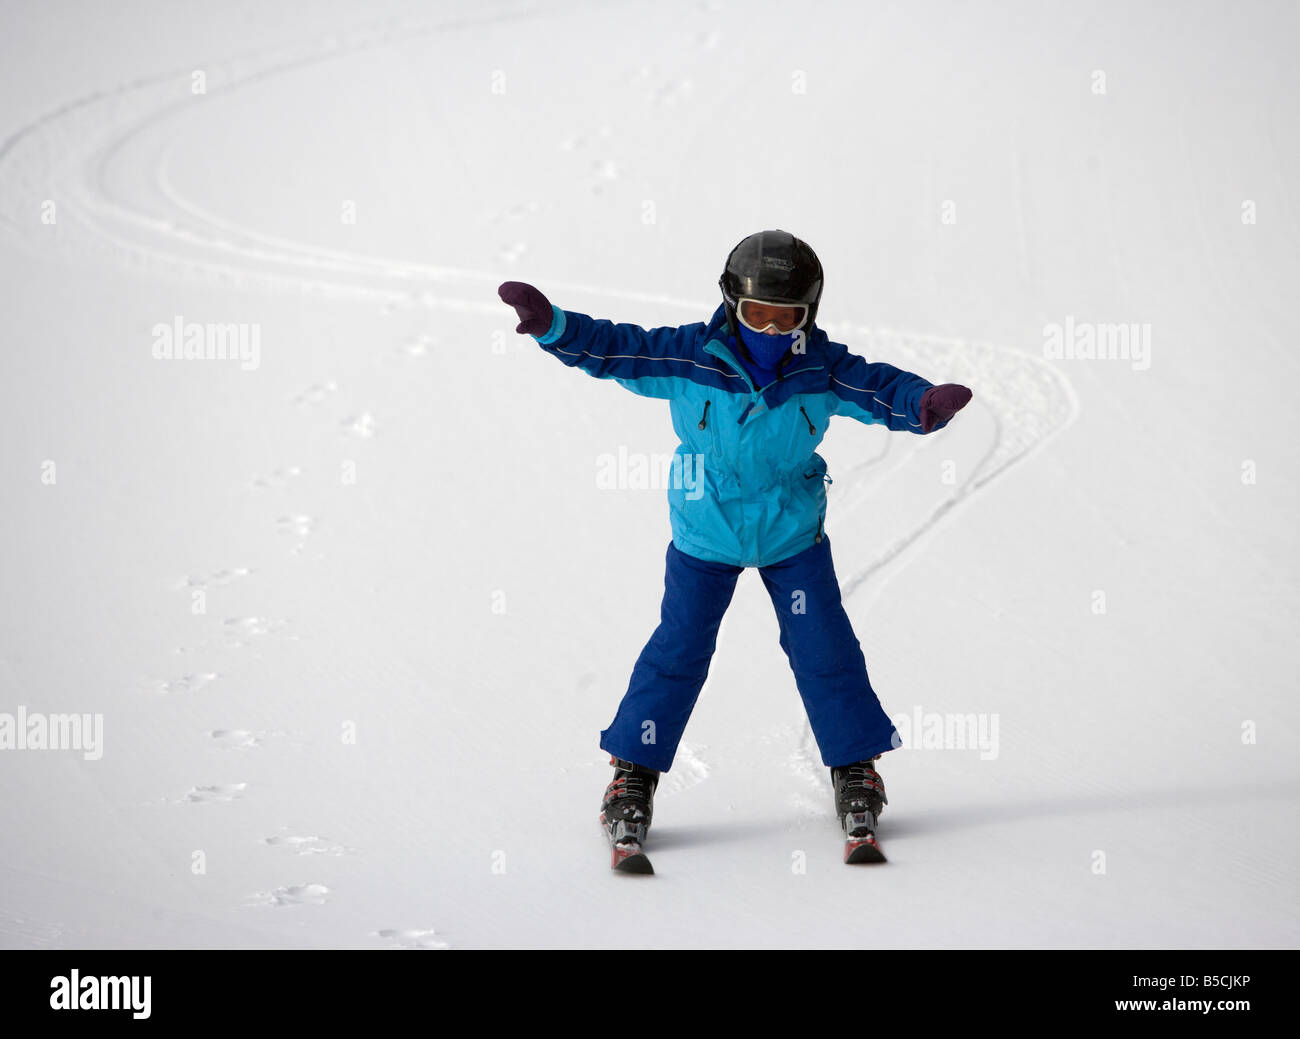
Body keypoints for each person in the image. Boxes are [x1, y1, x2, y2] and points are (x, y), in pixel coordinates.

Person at [498, 229, 972, 864]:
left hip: (790, 533)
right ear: (730, 303)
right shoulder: (691, 357)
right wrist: (555, 326)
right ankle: (632, 773)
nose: (773, 331)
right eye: (758, 315)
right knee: (680, 647)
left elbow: (878, 387)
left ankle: (856, 768)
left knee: (823, 645)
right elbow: (617, 349)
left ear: (810, 315)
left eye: (788, 318)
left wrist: (921, 404)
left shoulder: (820, 368)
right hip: (705, 532)